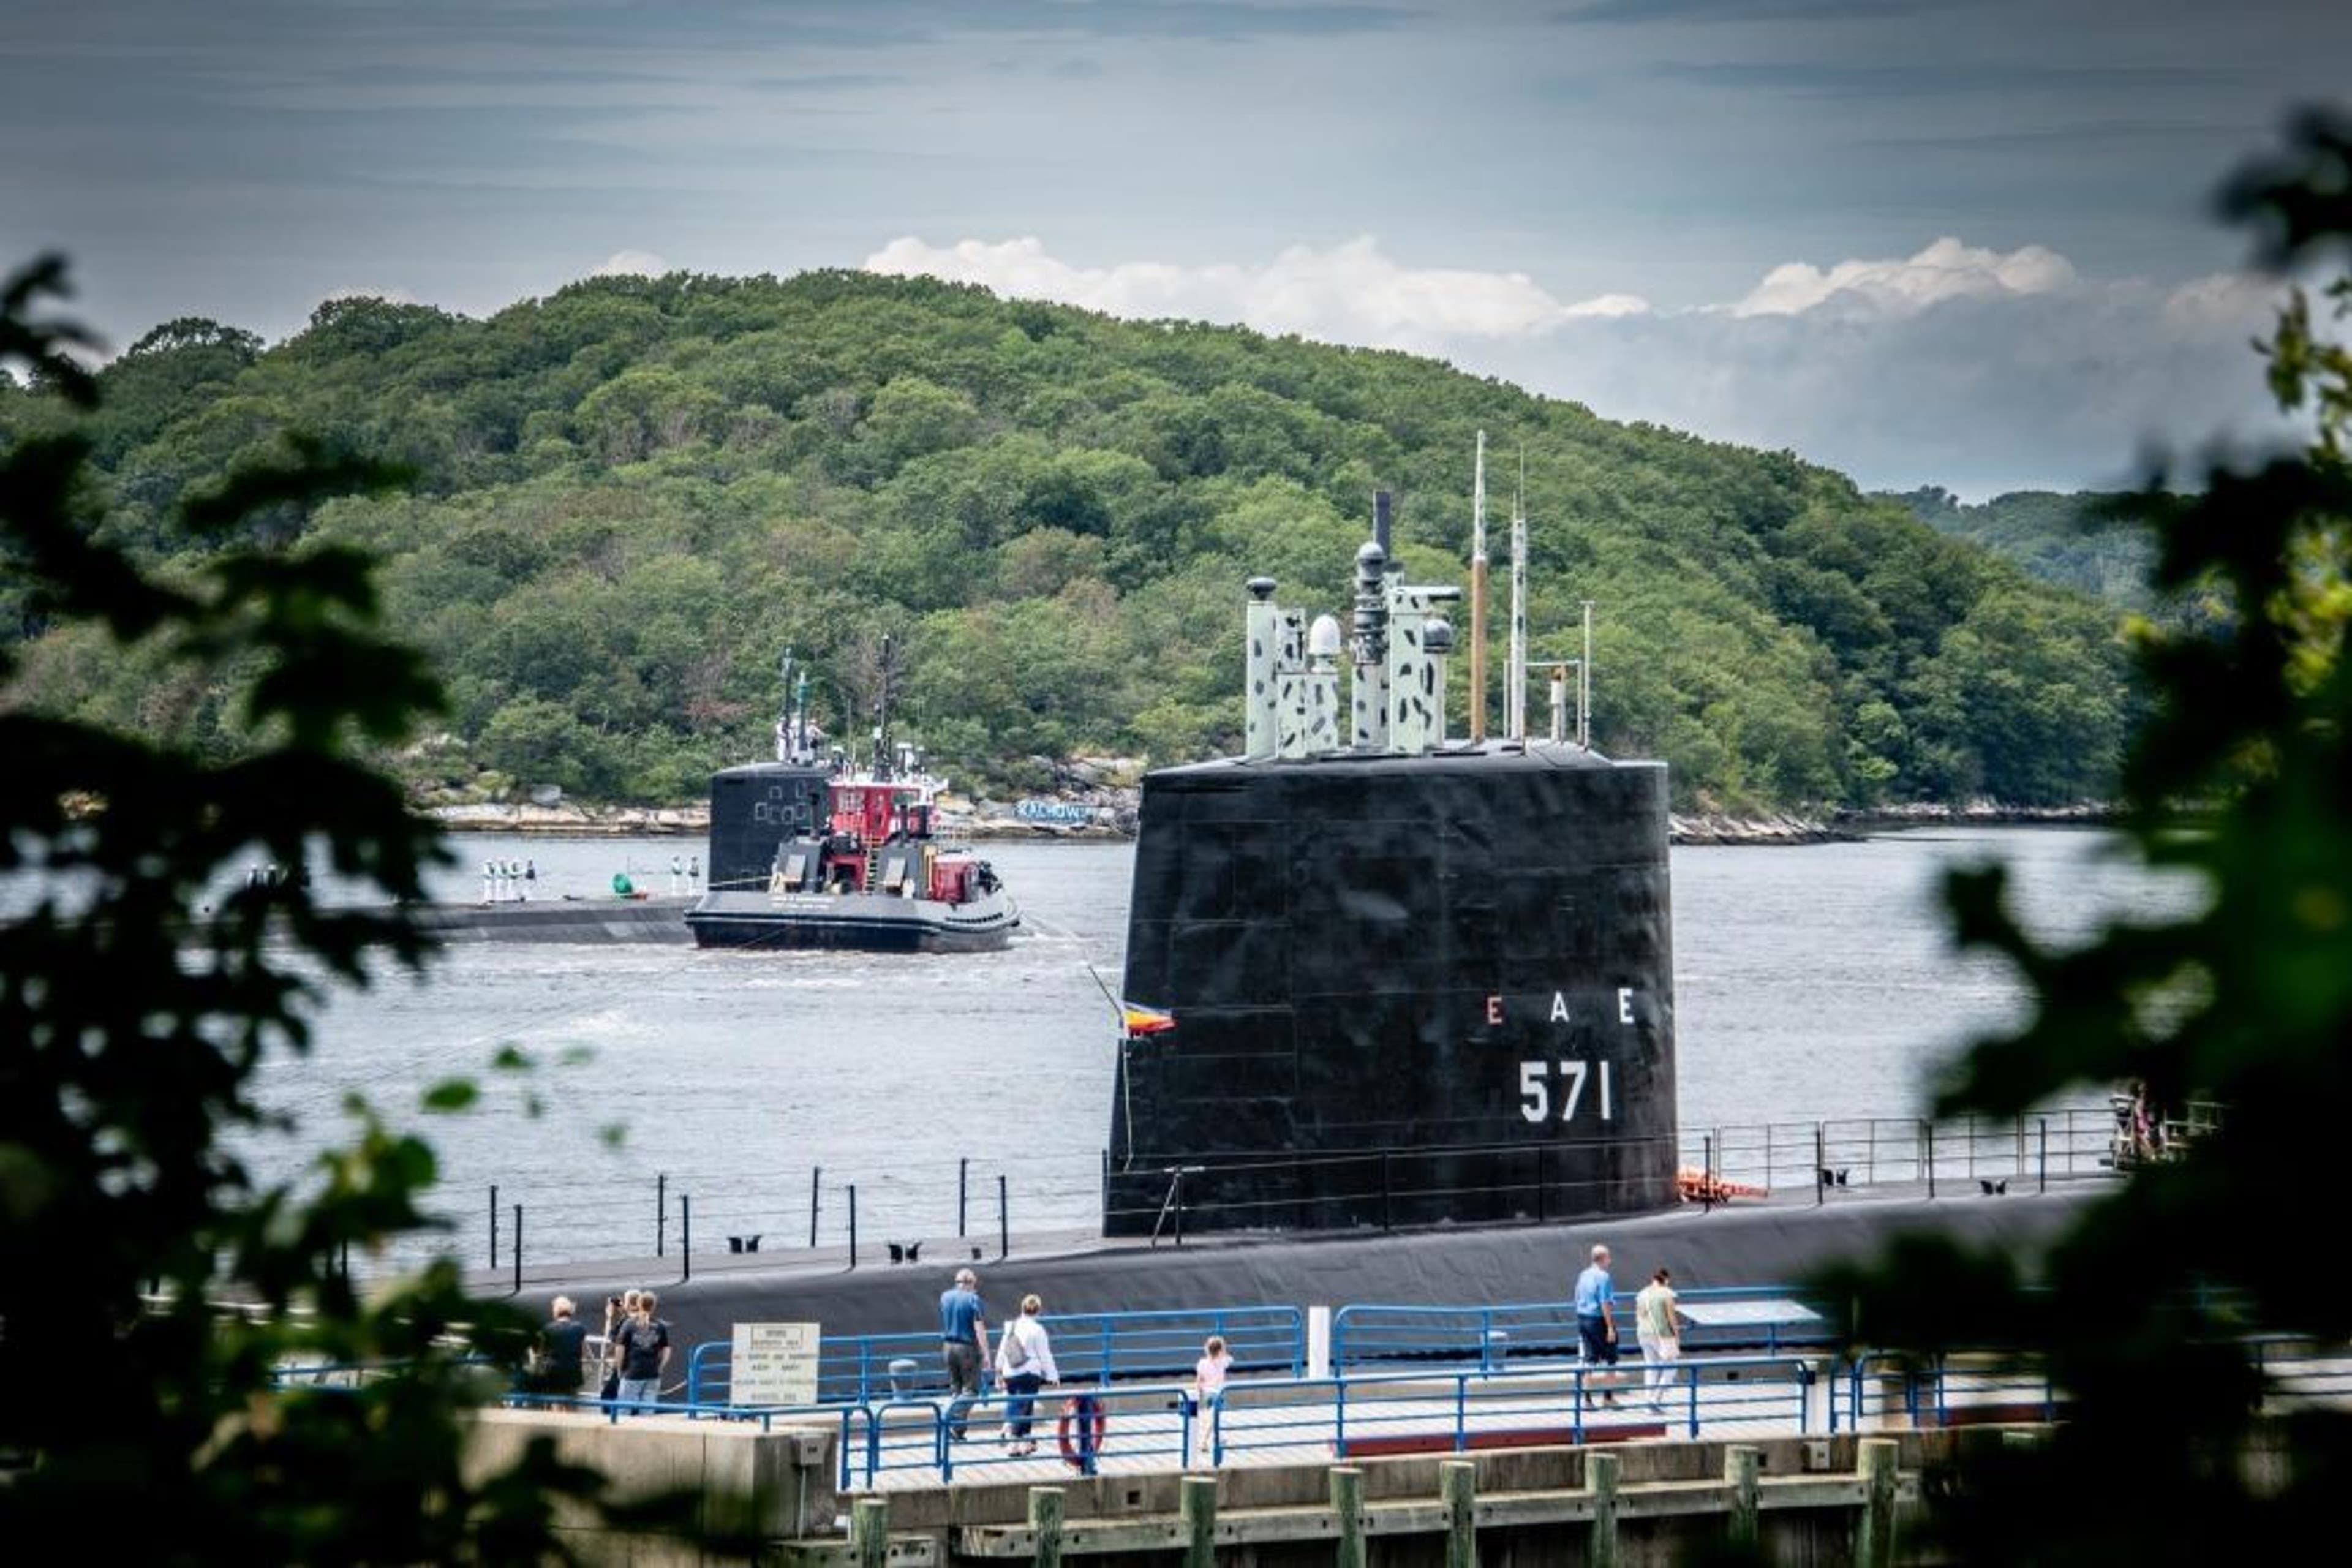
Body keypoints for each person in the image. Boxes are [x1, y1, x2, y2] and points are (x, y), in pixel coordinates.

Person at [995, 1292, 1059, 1455]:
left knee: (1021, 1404)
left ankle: (1024, 1442)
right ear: (1038, 1311)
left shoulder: (1011, 1326)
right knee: (1023, 1407)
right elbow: (1045, 1354)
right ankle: (1013, 1442)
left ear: (1022, 1308)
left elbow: (1003, 1349)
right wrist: (1052, 1376)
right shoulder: (1038, 1330)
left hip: (1010, 1371)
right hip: (1029, 1372)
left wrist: (999, 1370)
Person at [938, 1267, 990, 1442]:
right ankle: (949, 1414)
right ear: (971, 1283)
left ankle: (957, 1432)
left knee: (956, 1388)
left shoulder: (945, 1297)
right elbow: (979, 1328)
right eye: (975, 1284)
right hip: (966, 1348)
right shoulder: (973, 1299)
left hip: (947, 1347)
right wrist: (985, 1353)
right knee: (971, 1390)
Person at [1573, 1242, 1620, 1406]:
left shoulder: (1583, 1274)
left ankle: (1586, 1400)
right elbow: (1605, 1303)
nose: (1610, 1260)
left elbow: (1577, 1296)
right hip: (1598, 1319)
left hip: (1583, 1318)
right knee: (1611, 1358)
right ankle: (1608, 1398)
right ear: (1603, 1258)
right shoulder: (1604, 1276)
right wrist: (1609, 1327)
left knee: (1590, 1359)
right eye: (1609, 1257)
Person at [1634, 1267, 1683, 1413]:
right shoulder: (1667, 1294)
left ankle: (1649, 1402)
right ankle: (1656, 1400)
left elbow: (1639, 1316)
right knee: (1672, 1366)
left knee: (1651, 1367)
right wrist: (1677, 1335)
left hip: (1643, 1333)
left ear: (1653, 1279)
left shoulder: (1642, 1294)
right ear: (1666, 1280)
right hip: (1661, 1334)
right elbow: (1671, 1317)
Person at [614, 1289, 671, 1412]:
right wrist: (661, 1367)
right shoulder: (660, 1326)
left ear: (639, 1304)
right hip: (652, 1373)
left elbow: (620, 1348)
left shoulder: (629, 1324)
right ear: (654, 1306)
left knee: (624, 1411)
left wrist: (619, 1368)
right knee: (648, 1411)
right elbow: (667, 1349)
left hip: (632, 1372)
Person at [533, 1295, 589, 1398]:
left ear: (556, 1310)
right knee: (572, 1403)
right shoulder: (579, 1328)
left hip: (554, 1373)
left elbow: (540, 1354)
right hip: (573, 1372)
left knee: (555, 1402)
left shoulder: (548, 1329)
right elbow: (584, 1353)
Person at [1191, 1333, 1234, 1465]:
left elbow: (1199, 1380)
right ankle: (1204, 1441)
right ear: (1220, 1351)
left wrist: (1197, 1391)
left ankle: (1215, 1438)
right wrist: (1224, 1354)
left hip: (1205, 1393)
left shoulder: (1202, 1363)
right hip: (1217, 1394)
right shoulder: (1222, 1362)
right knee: (1214, 1419)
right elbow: (1230, 1360)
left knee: (1208, 1418)